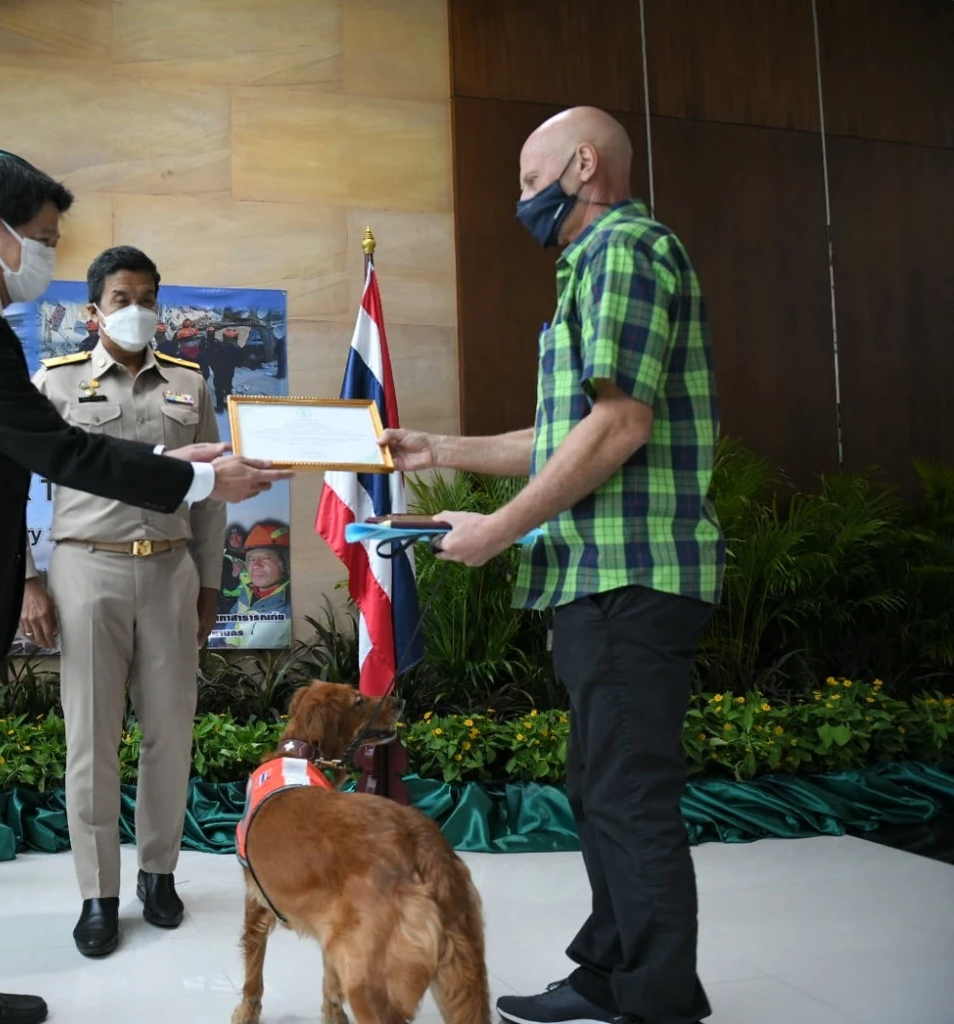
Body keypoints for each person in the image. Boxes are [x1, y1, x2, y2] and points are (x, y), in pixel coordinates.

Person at [0, 155, 287, 1024]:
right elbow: (59, 450)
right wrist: (194, 482)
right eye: (42, 240)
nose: (45, 257)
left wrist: (170, 461)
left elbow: (45, 440)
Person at [382, 106, 723, 1024]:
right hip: (600, 579)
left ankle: (656, 1004)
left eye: (531, 182)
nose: (520, 202)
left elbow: (618, 426)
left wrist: (495, 534)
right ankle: (612, 974)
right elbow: (563, 438)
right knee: (601, 789)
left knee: (626, 797)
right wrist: (438, 449)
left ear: (581, 164)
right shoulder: (595, 265)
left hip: (628, 577)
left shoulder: (622, 250)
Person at [18, 246, 225, 958]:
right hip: (85, 571)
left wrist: (210, 582)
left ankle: (158, 873)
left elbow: (210, 494)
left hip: (169, 572)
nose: (133, 309)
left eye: (145, 297)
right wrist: (26, 581)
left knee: (170, 732)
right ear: (92, 310)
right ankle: (97, 893)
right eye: (119, 297)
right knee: (92, 739)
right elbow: (6, 485)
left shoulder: (191, 387)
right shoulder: (54, 383)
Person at [223, 521, 292, 648]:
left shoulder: (291, 604)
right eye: (251, 559)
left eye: (266, 558)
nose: (256, 565)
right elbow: (233, 621)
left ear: (286, 563)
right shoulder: (246, 592)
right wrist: (231, 646)